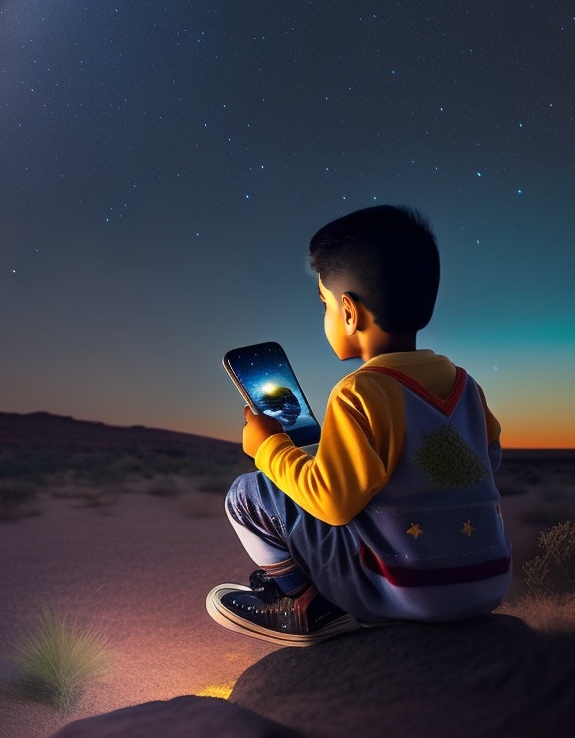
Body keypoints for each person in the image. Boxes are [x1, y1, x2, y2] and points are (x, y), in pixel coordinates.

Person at [206, 204, 512, 645]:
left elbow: (333, 503)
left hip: (402, 592)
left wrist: (268, 447)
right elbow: (487, 460)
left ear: (349, 312)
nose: (327, 318)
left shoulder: (359, 391)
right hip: (486, 584)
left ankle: (307, 605)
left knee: (249, 493)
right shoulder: (467, 385)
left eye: (325, 305)